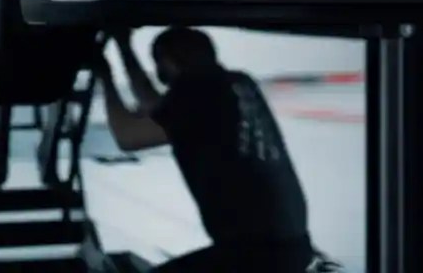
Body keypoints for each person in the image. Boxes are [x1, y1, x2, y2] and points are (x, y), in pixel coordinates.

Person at [93, 26, 330, 272]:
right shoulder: (236, 82)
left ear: (171, 59)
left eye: (158, 61)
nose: (158, 70)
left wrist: (105, 76)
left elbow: (128, 136)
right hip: (290, 246)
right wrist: (124, 49)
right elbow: (156, 106)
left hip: (254, 254)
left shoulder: (196, 89)